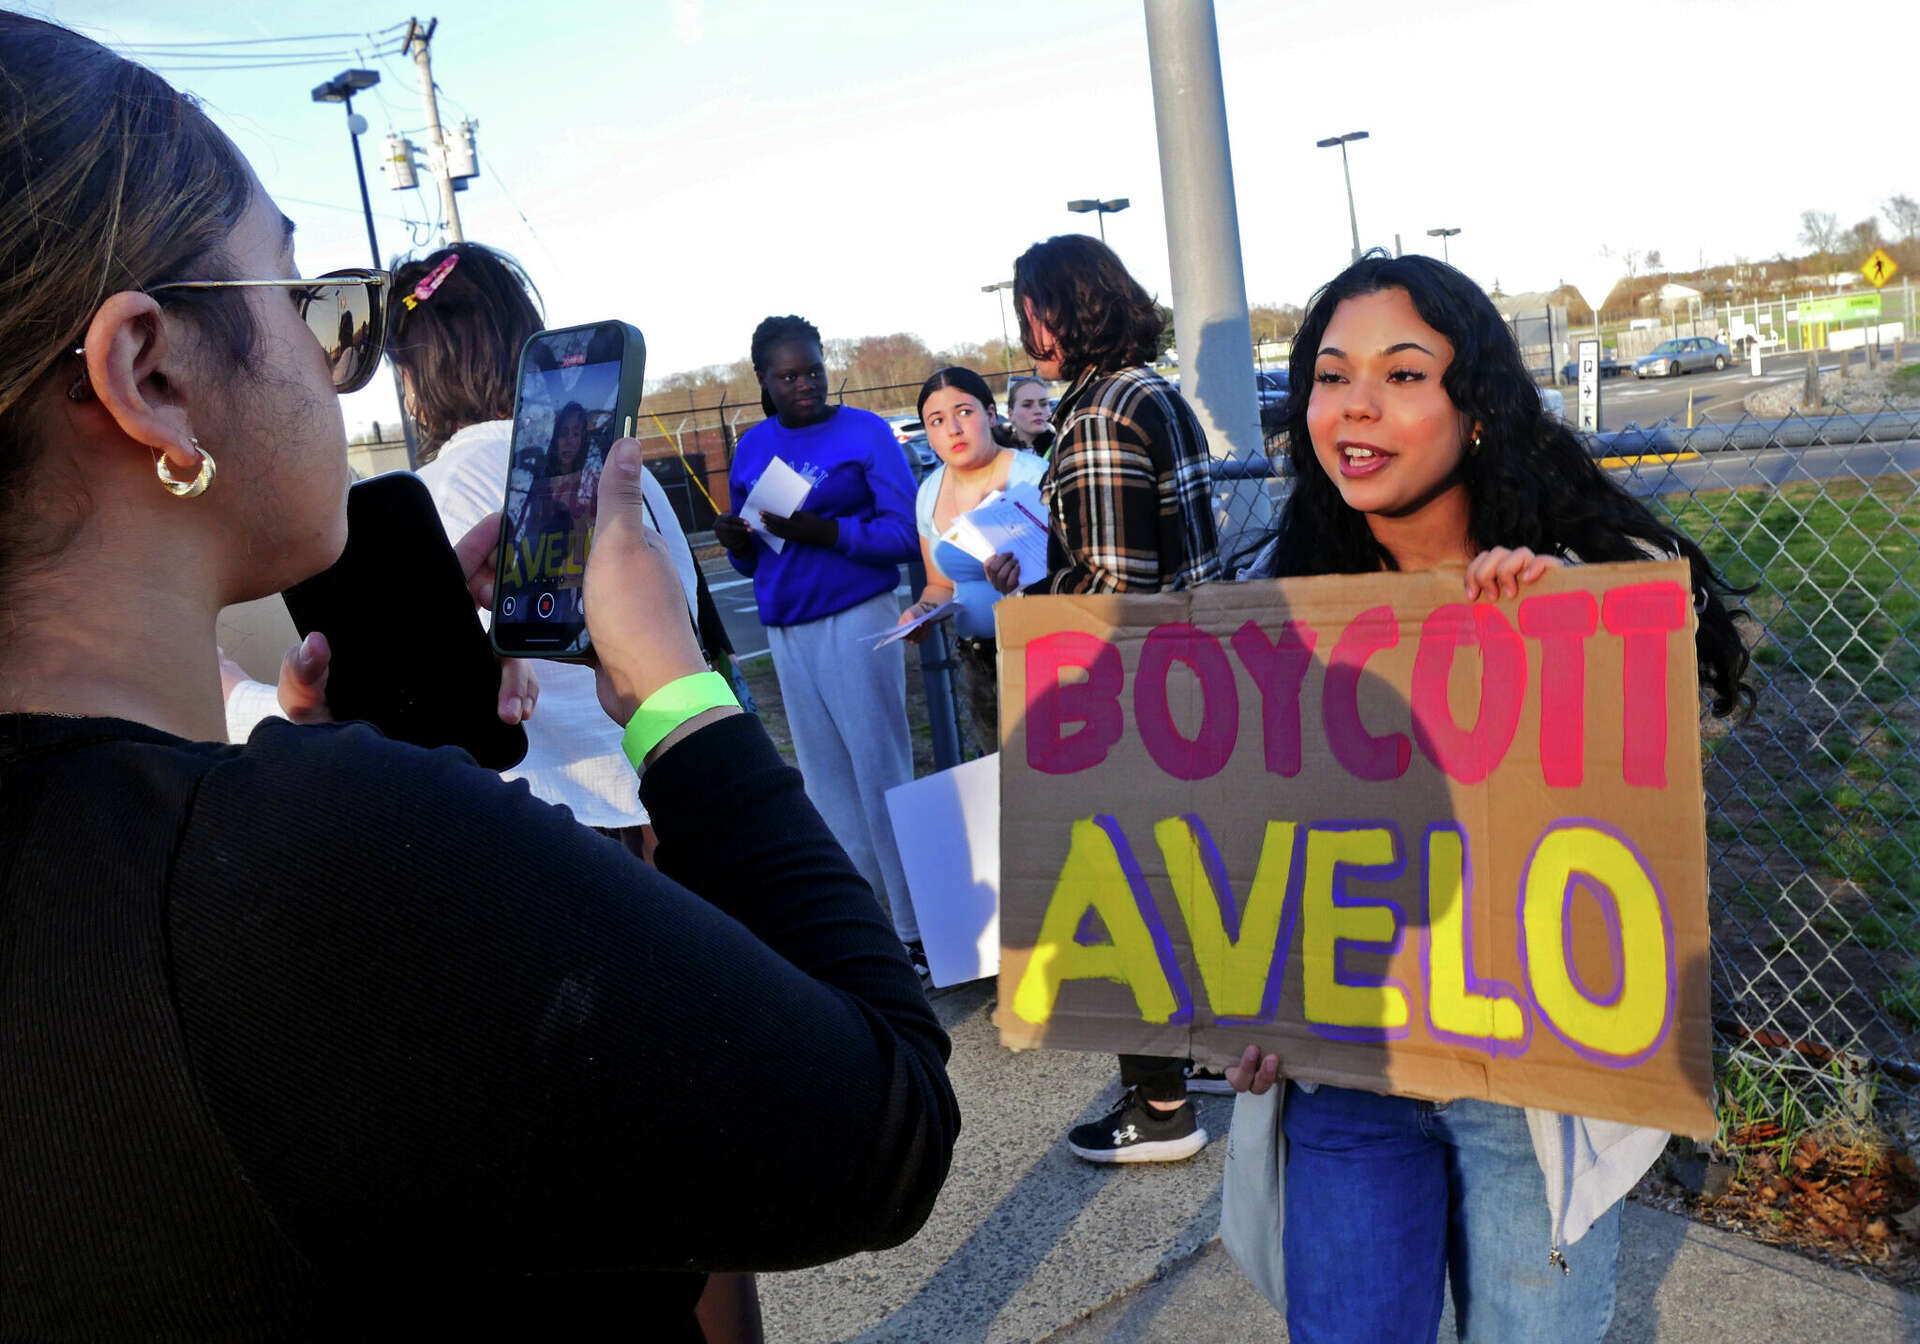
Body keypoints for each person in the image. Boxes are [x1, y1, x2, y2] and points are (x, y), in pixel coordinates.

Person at [0, 18, 958, 1338]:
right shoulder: (326, 857)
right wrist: (674, 690)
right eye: (312, 303)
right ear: (151, 375)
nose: (342, 365)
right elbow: (889, 1125)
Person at [1224, 252, 1750, 1343]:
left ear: (1475, 411)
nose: (1355, 405)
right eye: (1331, 376)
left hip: (1532, 1091)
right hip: (1348, 1078)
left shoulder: (1579, 577)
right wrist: (1233, 1001)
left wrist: (1570, 631)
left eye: (1403, 374)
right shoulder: (1270, 610)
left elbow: (1658, 782)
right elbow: (1227, 850)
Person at [225, 241, 714, 857]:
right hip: (669, 792)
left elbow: (405, 703)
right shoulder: (620, 471)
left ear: (418, 376)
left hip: (564, 824)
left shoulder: (444, 487)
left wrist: (236, 698)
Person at [1008, 233, 1228, 1163]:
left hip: (1133, 693)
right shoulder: (1150, 391)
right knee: (1185, 879)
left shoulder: (1098, 412)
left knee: (1127, 890)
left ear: (1063, 310)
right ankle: (1201, 1055)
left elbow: (1113, 590)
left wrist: (1032, 603)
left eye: (1031, 310)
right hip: (1192, 679)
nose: (1026, 330)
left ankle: (1159, 1105)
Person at [711, 315, 925, 970]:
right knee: (827, 790)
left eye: (813, 370)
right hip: (786, 626)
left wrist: (827, 533)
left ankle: (918, 931)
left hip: (857, 614)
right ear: (764, 380)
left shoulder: (866, 432)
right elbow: (754, 557)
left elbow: (906, 533)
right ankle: (869, 940)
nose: (804, 384)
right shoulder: (753, 446)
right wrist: (736, 542)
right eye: (788, 376)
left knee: (880, 771)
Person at [896, 366, 1046, 754]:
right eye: (937, 420)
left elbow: (1069, 571)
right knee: (999, 776)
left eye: (964, 412)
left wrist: (1023, 585)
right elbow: (939, 585)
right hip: (978, 662)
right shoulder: (929, 492)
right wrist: (920, 613)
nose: (953, 429)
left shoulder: (1032, 476)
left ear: (991, 414)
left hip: (1044, 656)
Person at [1003, 374, 1056, 456]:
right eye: (1027, 405)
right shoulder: (999, 453)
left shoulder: (1063, 447)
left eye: (1043, 404)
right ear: (1011, 414)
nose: (1038, 411)